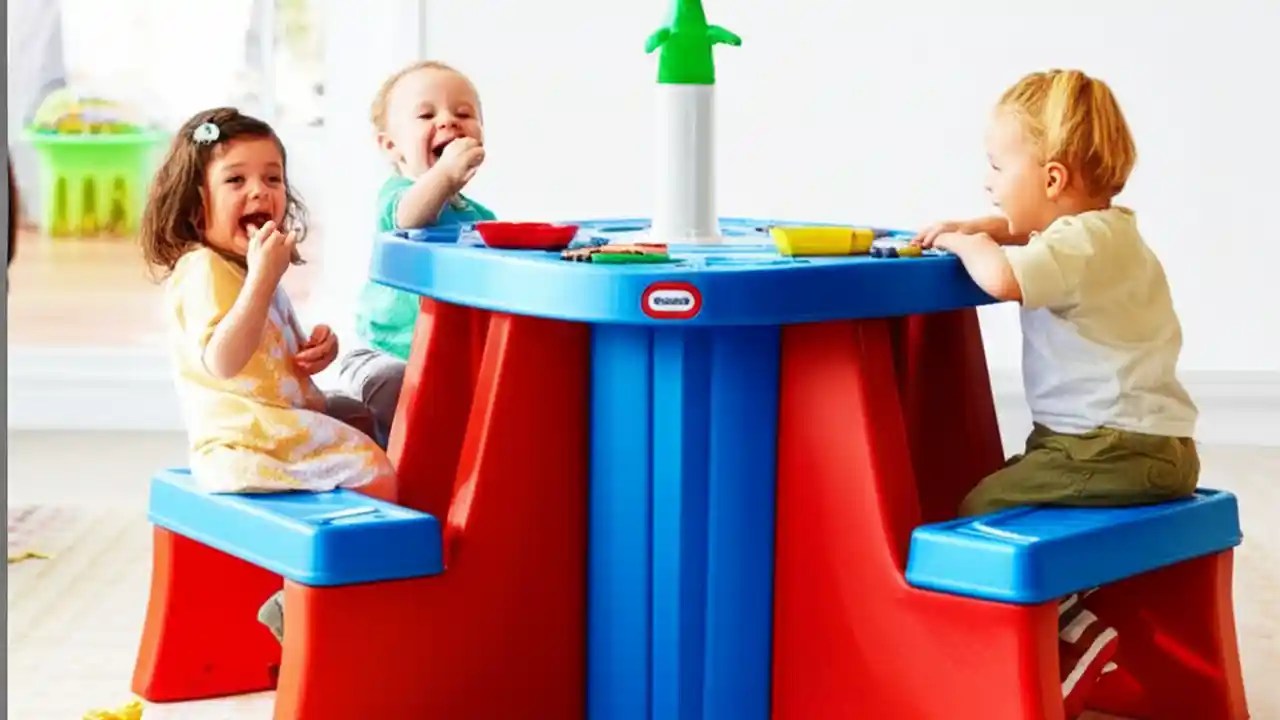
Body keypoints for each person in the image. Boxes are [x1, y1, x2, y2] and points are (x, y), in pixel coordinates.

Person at [914, 68, 1199, 718]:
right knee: (1025, 496)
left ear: (1051, 180)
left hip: (1107, 448)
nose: (988, 180)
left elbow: (1002, 278)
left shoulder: (1071, 245)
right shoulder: (1110, 233)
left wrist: (964, 239)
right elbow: (1028, 233)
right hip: (1158, 449)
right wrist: (988, 221)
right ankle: (1069, 611)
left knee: (981, 508)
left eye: (995, 166)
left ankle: (1077, 640)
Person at [139, 106, 396, 640]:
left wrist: (318, 349)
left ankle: (338, 586)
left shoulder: (251, 268)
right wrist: (260, 281)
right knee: (381, 472)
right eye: (236, 179)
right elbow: (224, 359)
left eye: (272, 178)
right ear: (194, 209)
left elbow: (278, 354)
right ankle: (314, 604)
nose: (259, 192)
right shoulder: (204, 269)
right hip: (246, 440)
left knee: (361, 412)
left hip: (273, 425)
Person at [338, 60, 496, 446]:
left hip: (451, 366)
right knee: (398, 386)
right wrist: (443, 176)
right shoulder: (398, 195)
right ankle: (370, 449)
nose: (448, 121)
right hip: (384, 356)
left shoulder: (481, 219)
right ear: (390, 145)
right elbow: (410, 218)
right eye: (426, 114)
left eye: (464, 113)